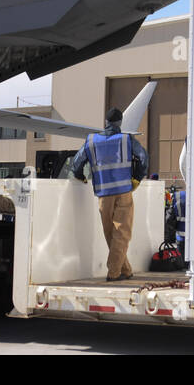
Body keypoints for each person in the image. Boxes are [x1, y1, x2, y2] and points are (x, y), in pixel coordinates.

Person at [70, 107, 149, 281]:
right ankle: (113, 273)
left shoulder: (91, 141)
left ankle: (126, 270)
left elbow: (77, 163)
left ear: (105, 122)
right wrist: (136, 178)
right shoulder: (126, 139)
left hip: (103, 194)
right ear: (120, 123)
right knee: (121, 233)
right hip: (123, 191)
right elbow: (143, 158)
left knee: (111, 234)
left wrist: (80, 176)